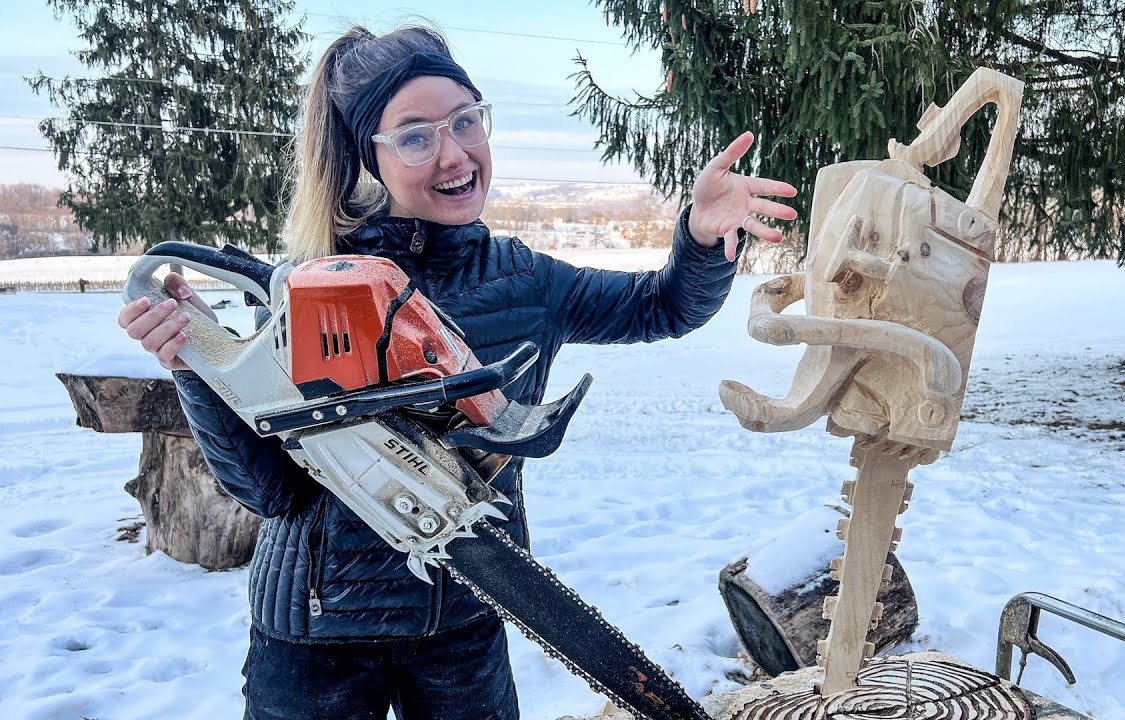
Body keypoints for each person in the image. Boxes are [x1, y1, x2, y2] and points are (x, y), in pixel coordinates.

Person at [117, 23, 797, 720]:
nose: (454, 153)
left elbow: (662, 306)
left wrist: (703, 240)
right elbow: (269, 492)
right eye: (414, 136)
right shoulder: (311, 290)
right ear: (367, 157)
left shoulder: (527, 282)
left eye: (465, 121)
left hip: (468, 613)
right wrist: (195, 363)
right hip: (315, 637)